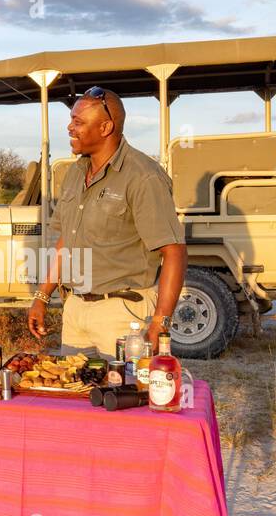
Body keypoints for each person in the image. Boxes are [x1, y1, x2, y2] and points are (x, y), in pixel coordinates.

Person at [28, 86, 187, 359]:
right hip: (76, 309)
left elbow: (173, 251)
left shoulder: (142, 177)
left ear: (105, 128)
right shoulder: (75, 173)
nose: (69, 127)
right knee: (74, 395)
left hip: (123, 314)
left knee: (123, 396)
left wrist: (160, 323)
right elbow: (66, 239)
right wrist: (42, 296)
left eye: (78, 122)